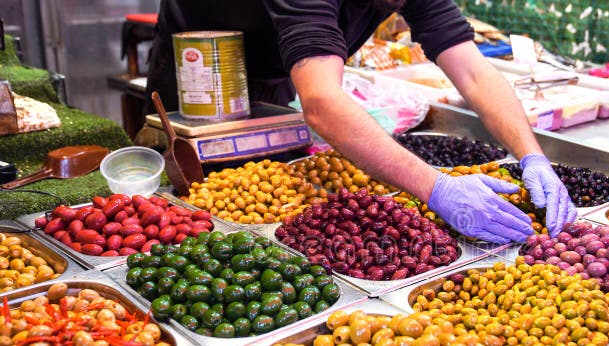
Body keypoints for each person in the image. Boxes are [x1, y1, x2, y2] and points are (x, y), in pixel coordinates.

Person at [146, 0, 577, 241]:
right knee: (193, 200)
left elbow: (475, 71)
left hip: (275, 71)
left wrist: (533, 157)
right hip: (199, 68)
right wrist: (437, 188)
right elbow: (320, 101)